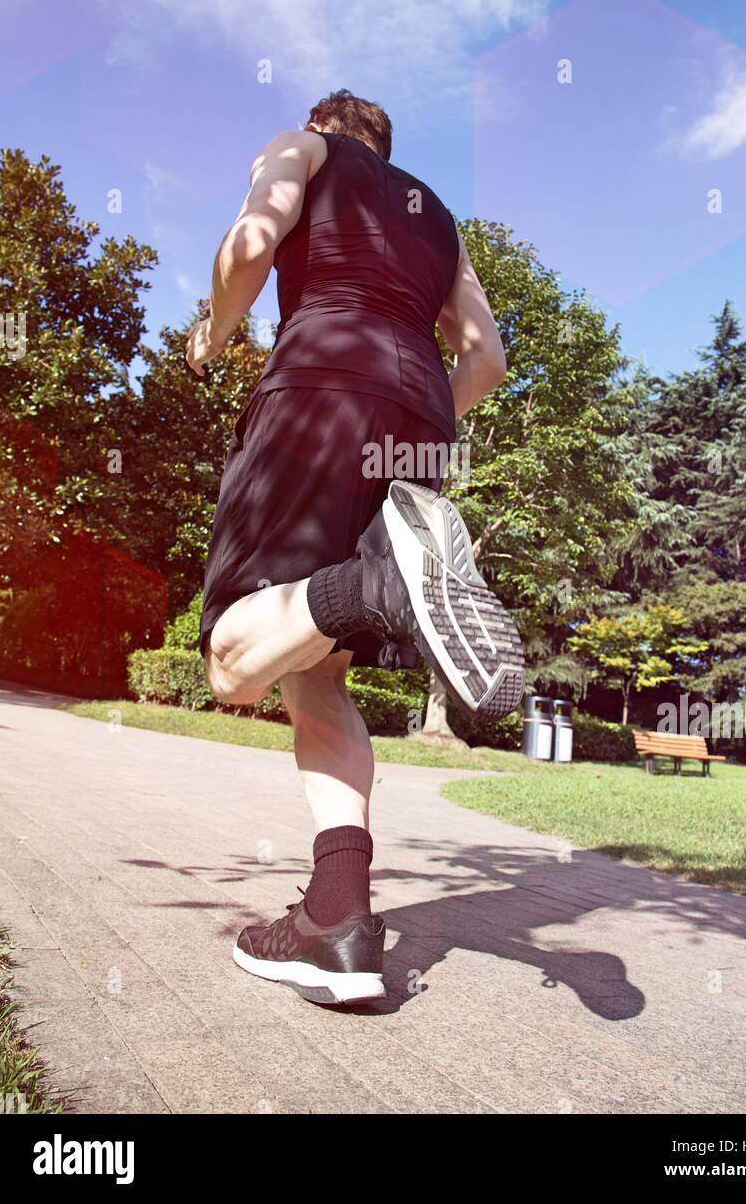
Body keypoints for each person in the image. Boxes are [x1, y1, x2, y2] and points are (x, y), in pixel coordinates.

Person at [185, 89, 523, 1005]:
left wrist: (213, 335)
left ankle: (380, 586)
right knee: (314, 672)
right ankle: (336, 924)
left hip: (319, 383)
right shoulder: (438, 218)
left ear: (328, 127)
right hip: (418, 415)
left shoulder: (302, 147)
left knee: (229, 661)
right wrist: (412, 423)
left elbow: (254, 242)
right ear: (387, 143)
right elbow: (487, 356)